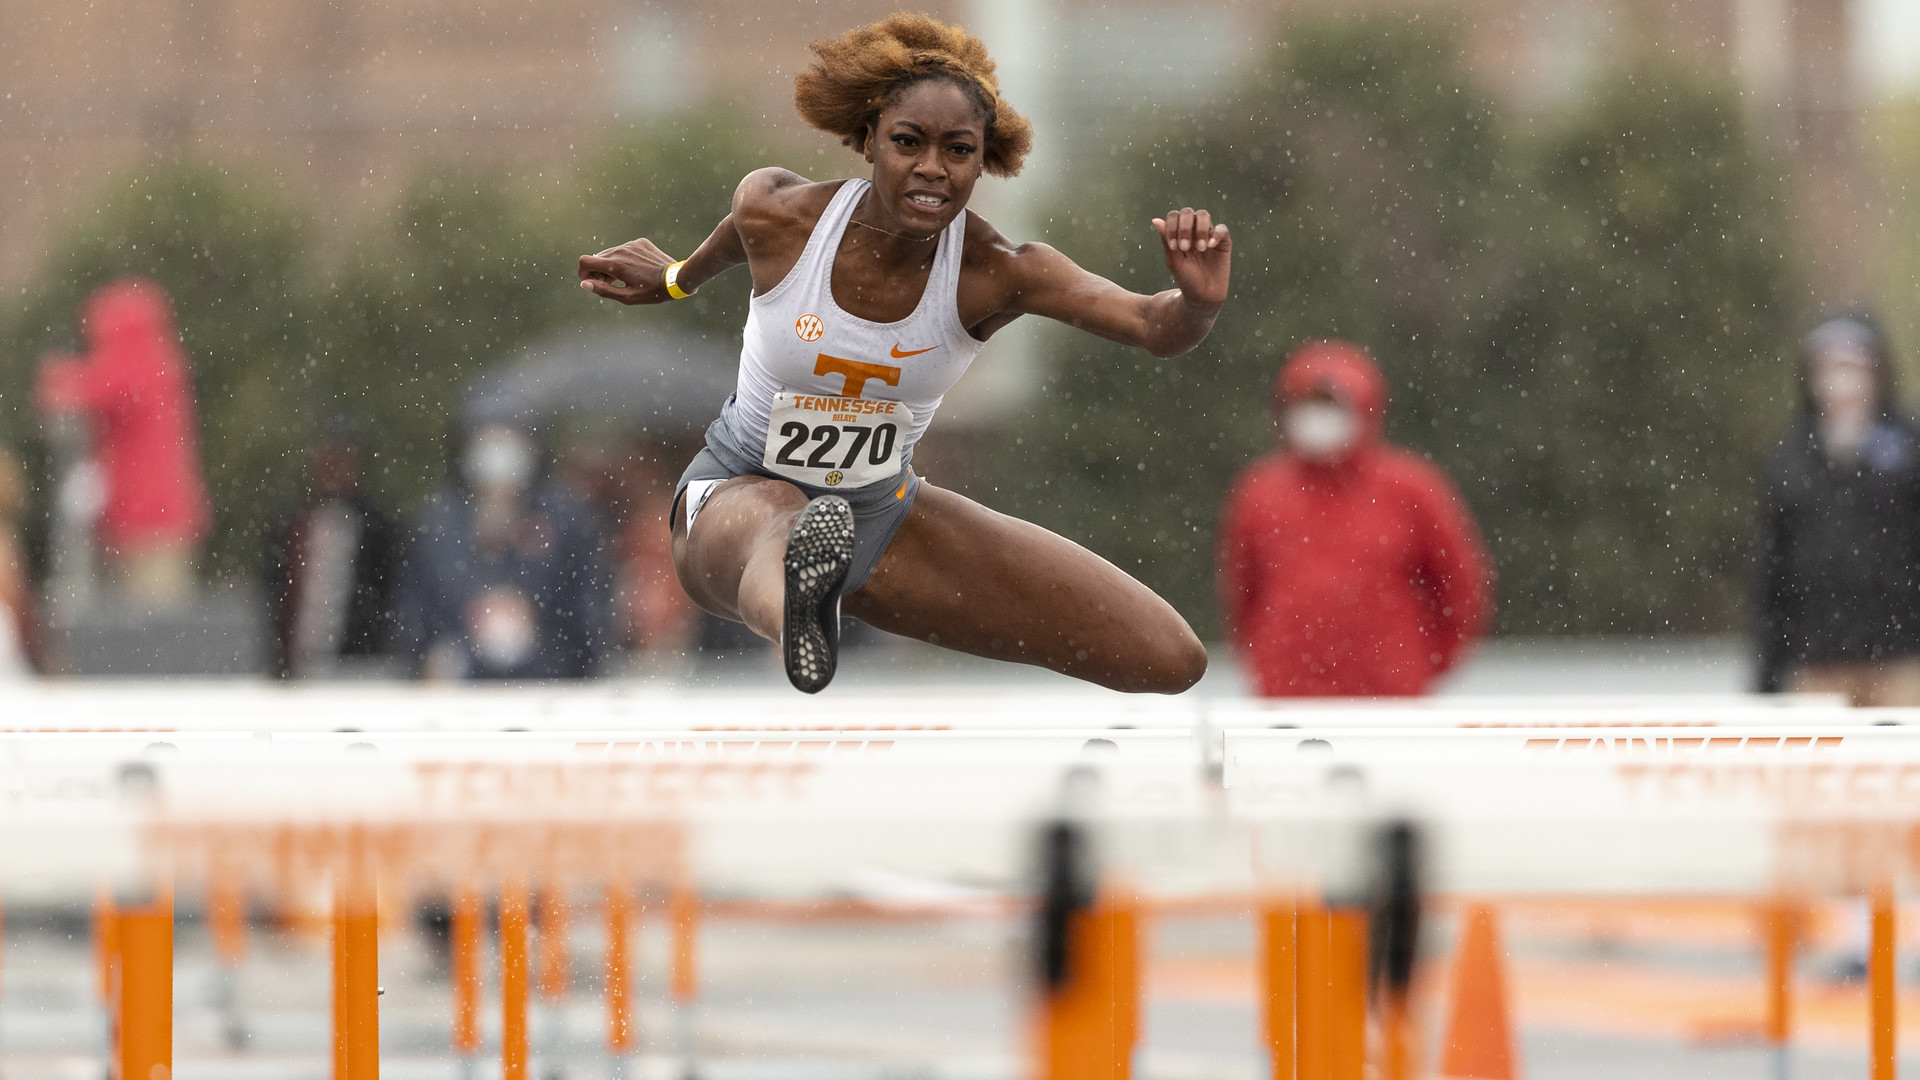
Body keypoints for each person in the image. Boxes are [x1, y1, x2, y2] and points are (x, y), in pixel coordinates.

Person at [578, 13, 1226, 693]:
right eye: (908, 143)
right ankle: (802, 614)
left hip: (879, 513)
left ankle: (820, 582)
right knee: (781, 522)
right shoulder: (779, 212)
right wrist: (676, 279)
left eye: (958, 150)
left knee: (1169, 657)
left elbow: (1154, 327)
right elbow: (718, 253)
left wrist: (1198, 303)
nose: (931, 169)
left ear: (983, 159)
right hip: (731, 501)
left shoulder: (996, 270)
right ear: (867, 141)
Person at [1217, 340, 1491, 697]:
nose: (1319, 417)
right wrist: (1266, 662)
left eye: (1331, 404)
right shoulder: (1260, 492)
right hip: (1288, 698)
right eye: (1308, 403)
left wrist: (1427, 664)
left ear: (1364, 408)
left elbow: (1460, 586)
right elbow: (1241, 593)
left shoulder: (1412, 488)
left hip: (1389, 698)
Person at [1755, 314, 1920, 705]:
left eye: (1853, 369)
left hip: (1902, 663)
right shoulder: (1789, 459)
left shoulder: (1909, 448)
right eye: (1829, 369)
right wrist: (1767, 672)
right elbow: (1771, 571)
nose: (1841, 384)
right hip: (1817, 666)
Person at [391, 419, 614, 680]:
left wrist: (545, 641)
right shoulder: (439, 524)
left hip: (549, 687)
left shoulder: (565, 518)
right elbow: (411, 617)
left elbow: (589, 615)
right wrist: (440, 655)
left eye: (507, 436)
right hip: (458, 692)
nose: (497, 452)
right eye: (487, 438)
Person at [35, 279, 211, 607]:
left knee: (151, 623)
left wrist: (56, 373)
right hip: (149, 517)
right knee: (140, 626)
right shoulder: (163, 362)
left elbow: (75, 391)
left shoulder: (140, 364)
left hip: (149, 522)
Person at [263, 420, 401, 678]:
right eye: (327, 459)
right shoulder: (292, 524)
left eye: (343, 461)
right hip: (293, 672)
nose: (334, 470)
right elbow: (274, 598)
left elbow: (385, 604)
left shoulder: (376, 529)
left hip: (356, 672)